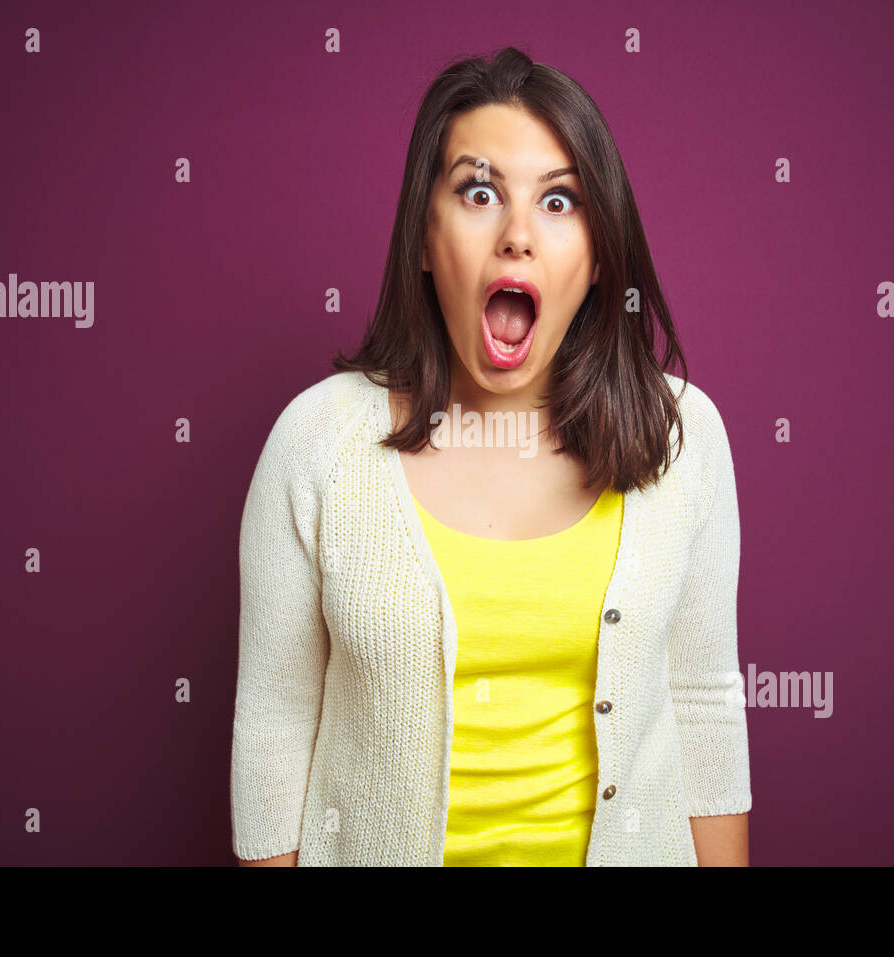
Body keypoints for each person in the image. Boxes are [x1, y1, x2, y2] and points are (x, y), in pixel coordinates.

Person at [232, 46, 750, 866]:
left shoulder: (683, 439)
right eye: (479, 193)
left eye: (558, 200)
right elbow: (274, 724)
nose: (517, 236)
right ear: (426, 237)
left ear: (600, 253)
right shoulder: (316, 444)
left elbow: (706, 706)